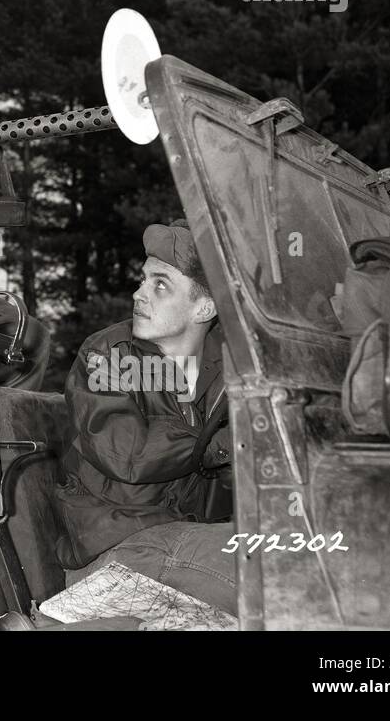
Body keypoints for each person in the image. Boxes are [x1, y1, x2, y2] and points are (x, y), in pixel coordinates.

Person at [54, 219, 236, 613]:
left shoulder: (230, 367)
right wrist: (216, 444)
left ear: (205, 308)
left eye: (160, 284)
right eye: (143, 280)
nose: (138, 293)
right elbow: (127, 453)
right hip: (115, 556)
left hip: (188, 545)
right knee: (262, 570)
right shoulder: (108, 354)